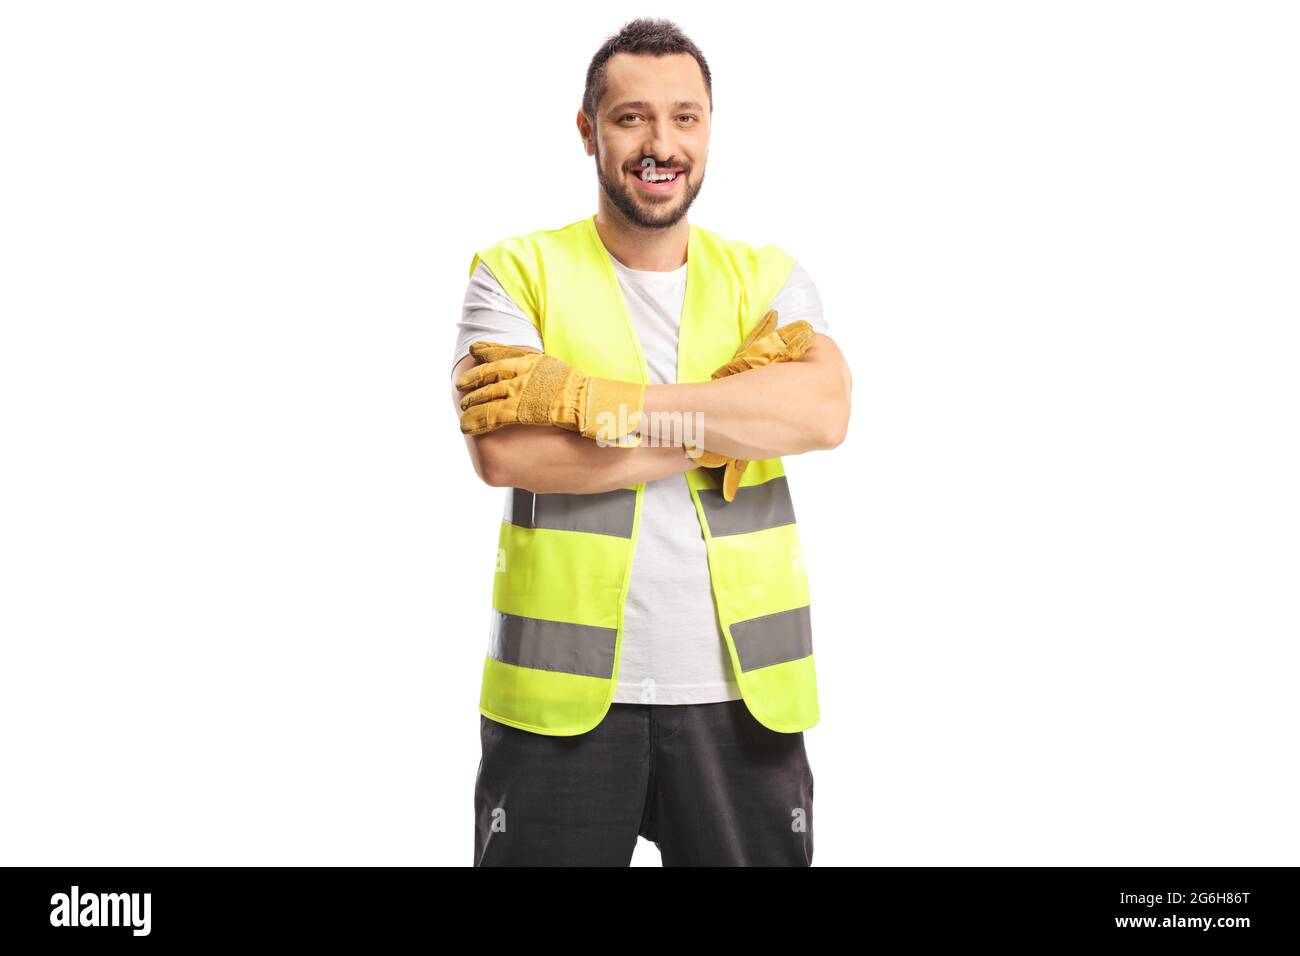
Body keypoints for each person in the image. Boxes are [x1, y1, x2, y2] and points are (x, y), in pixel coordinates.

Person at [450, 17, 852, 866]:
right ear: (589, 130)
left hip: (744, 702)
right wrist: (727, 420)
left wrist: (597, 401)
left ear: (709, 129)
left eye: (685, 117)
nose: (660, 143)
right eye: (632, 117)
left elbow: (821, 414)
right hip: (557, 709)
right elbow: (510, 455)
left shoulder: (767, 279)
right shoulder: (514, 272)